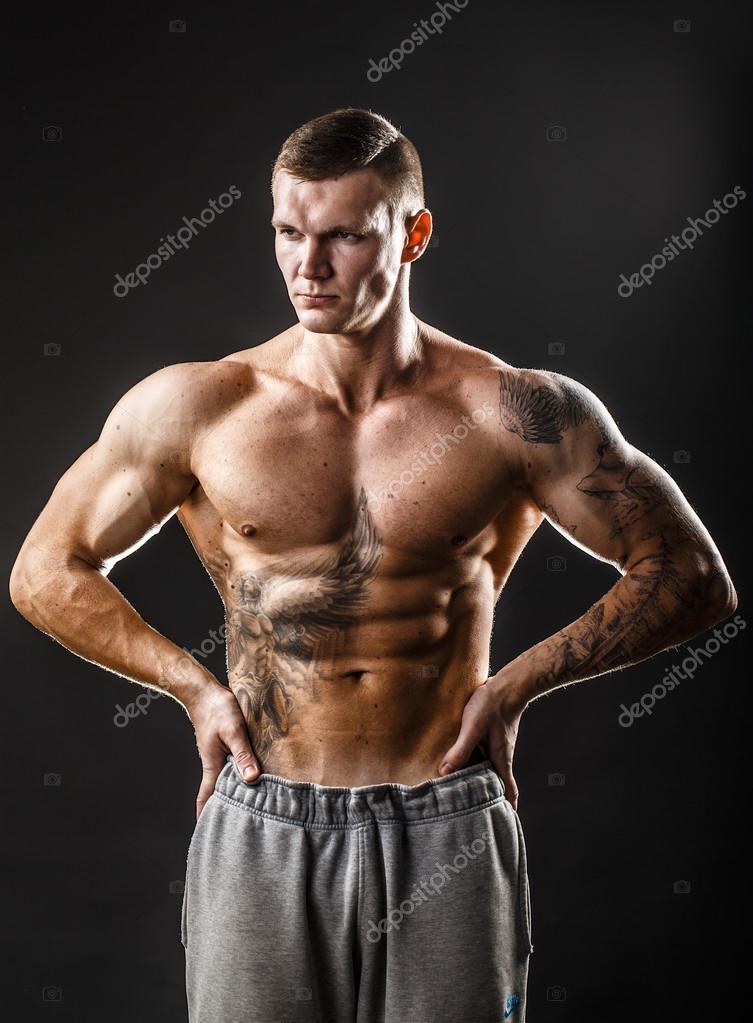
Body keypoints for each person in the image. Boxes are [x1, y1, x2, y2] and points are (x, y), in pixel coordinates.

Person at [9, 108, 737, 1023]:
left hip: (446, 822)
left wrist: (513, 688)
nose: (306, 267)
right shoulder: (198, 405)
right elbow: (44, 569)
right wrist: (193, 690)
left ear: (412, 235)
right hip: (265, 814)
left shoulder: (510, 409)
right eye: (286, 232)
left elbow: (689, 574)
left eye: (345, 236)